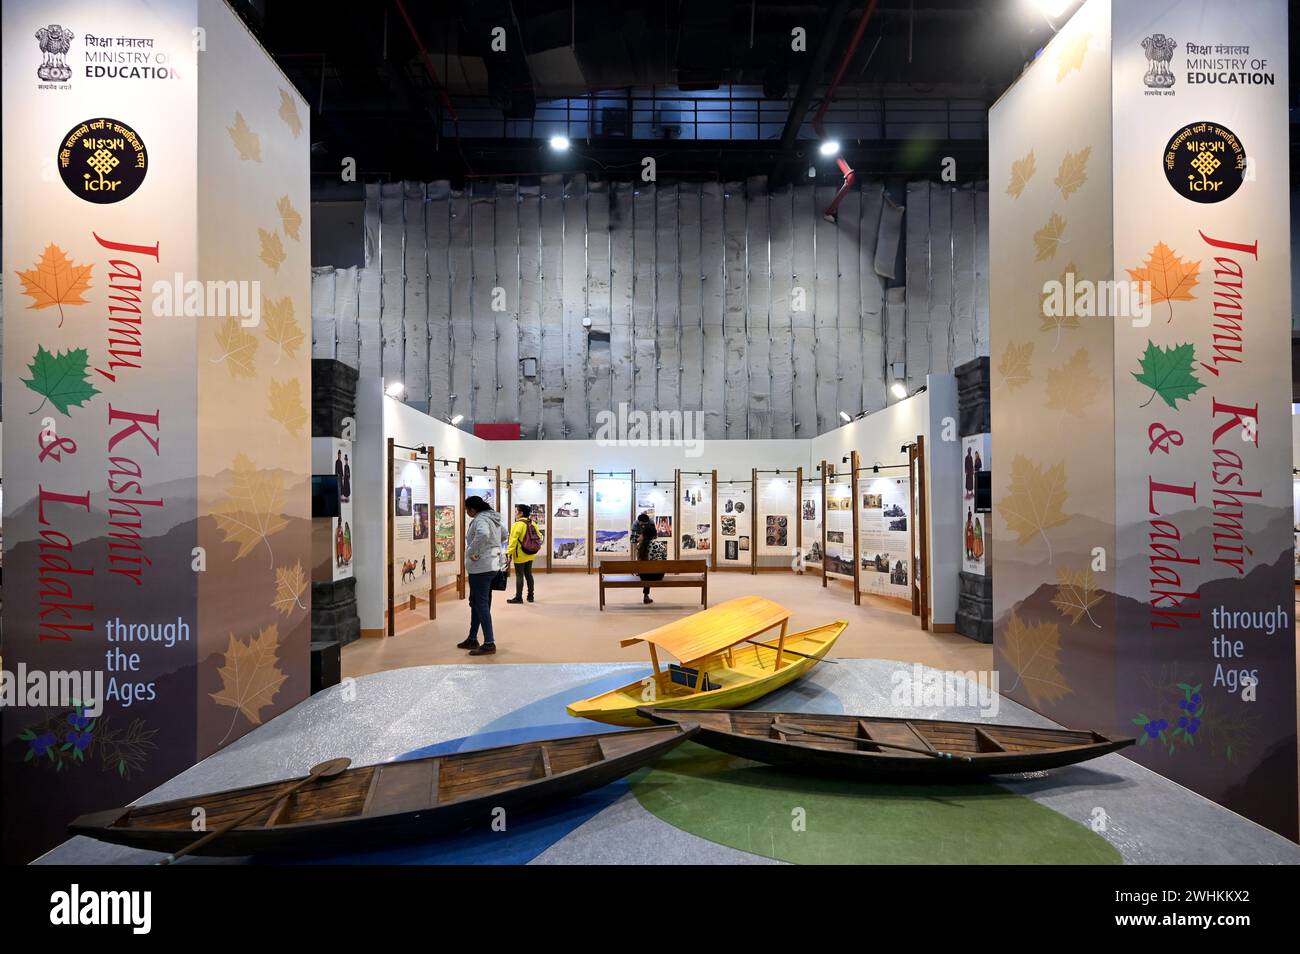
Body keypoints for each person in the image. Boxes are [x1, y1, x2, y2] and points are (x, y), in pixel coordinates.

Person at [459, 495, 506, 655]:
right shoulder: (493, 518)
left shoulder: (480, 519)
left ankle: (489, 643)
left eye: (466, 509)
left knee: (480, 605)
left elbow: (484, 534)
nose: (466, 512)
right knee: (479, 603)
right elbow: (505, 535)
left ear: (472, 509)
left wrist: (472, 550)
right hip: (493, 565)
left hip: (481, 567)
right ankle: (472, 638)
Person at [506, 504, 540, 604]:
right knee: (529, 574)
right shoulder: (532, 523)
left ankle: (518, 597)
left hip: (520, 554)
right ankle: (530, 596)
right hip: (531, 553)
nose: (516, 514)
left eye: (517, 511)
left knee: (519, 575)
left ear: (521, 513)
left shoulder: (517, 525)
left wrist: (509, 554)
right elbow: (540, 536)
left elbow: (512, 542)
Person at [634, 512, 663, 604]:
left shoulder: (640, 546)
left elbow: (638, 562)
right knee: (652, 569)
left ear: (644, 535)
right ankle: (646, 596)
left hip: (644, 576)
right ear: (654, 535)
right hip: (658, 575)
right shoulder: (661, 545)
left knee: (646, 571)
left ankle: (645, 595)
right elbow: (663, 560)